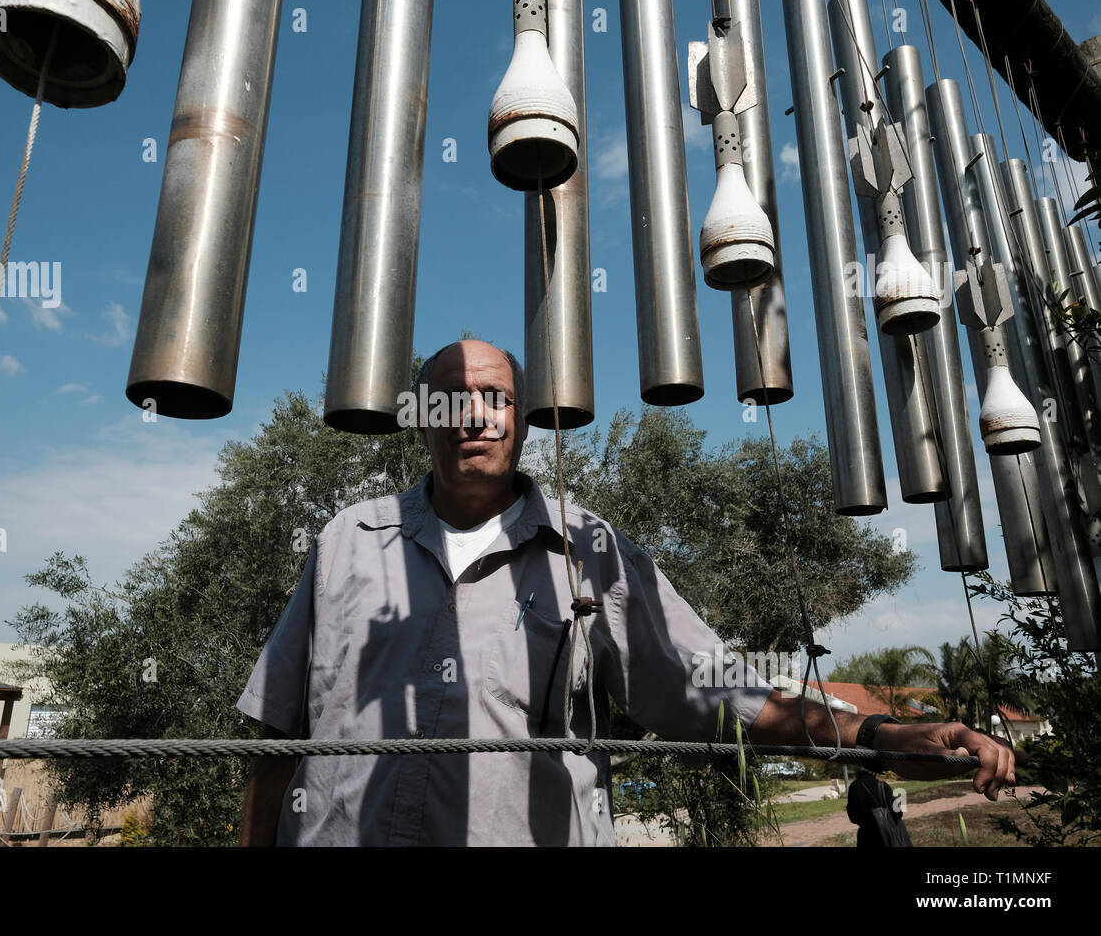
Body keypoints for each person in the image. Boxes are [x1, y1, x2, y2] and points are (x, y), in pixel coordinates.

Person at [236, 339, 1019, 846]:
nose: (473, 414)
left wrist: (881, 735)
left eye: (496, 396)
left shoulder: (593, 553)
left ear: (526, 422)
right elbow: (277, 734)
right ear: (420, 420)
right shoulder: (346, 541)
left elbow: (724, 696)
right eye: (448, 397)